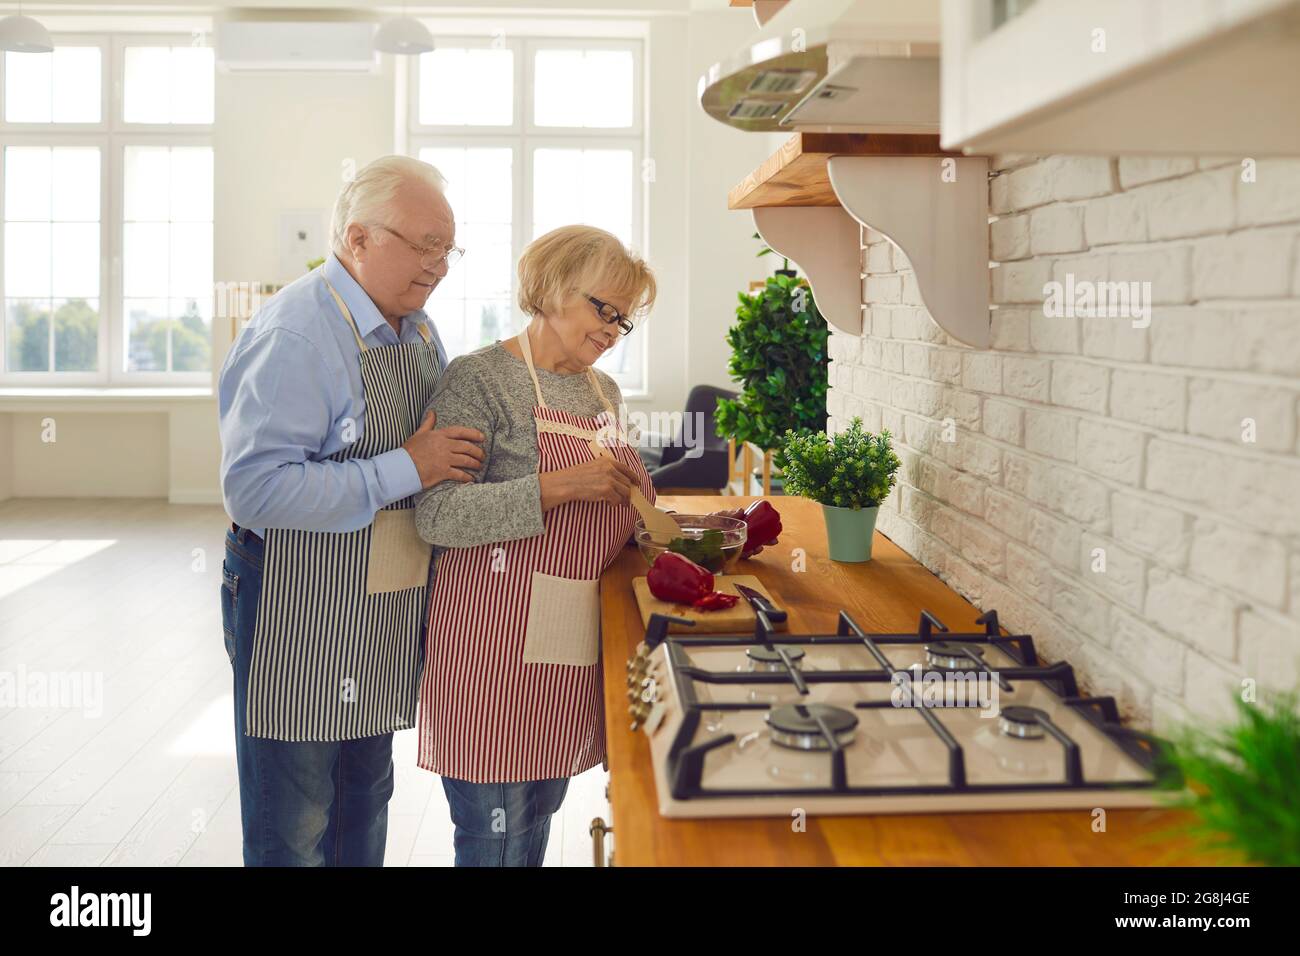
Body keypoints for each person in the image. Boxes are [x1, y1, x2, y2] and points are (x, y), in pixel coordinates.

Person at [217, 155, 485, 866]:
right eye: (423, 245)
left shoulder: (416, 327)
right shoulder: (298, 335)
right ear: (358, 238)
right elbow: (256, 490)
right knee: (297, 820)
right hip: (296, 596)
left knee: (363, 797)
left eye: (447, 248)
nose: (439, 265)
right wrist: (410, 468)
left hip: (377, 596)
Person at [413, 224, 656, 866]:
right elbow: (436, 516)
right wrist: (558, 485)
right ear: (550, 289)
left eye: (623, 320)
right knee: (497, 832)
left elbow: (614, 512)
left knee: (536, 814)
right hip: (491, 645)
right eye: (604, 309)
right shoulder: (480, 380)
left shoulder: (604, 392)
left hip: (571, 635)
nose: (612, 330)